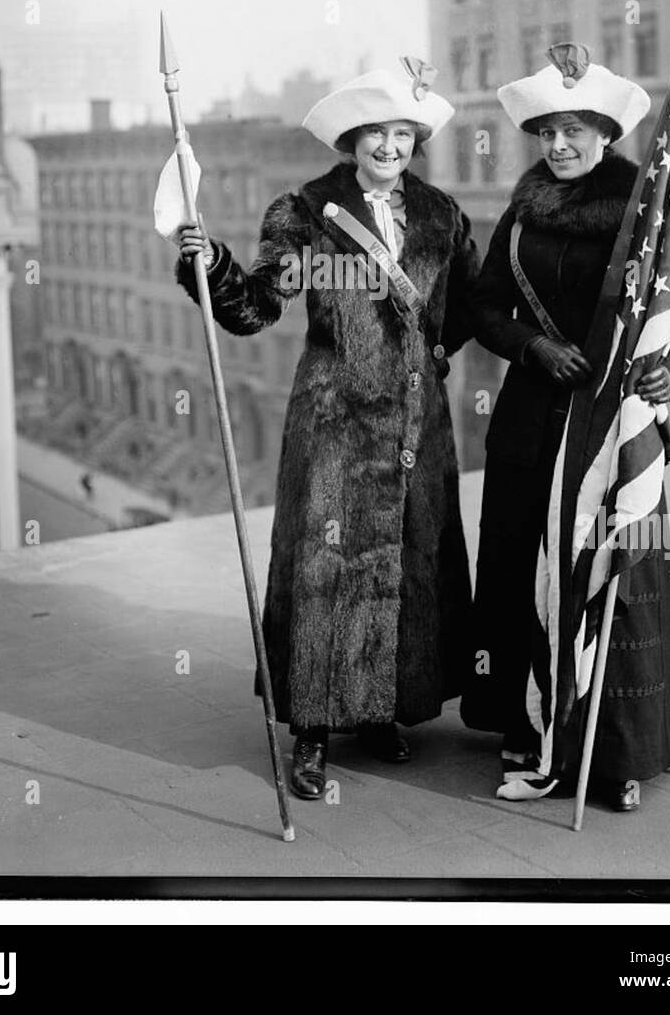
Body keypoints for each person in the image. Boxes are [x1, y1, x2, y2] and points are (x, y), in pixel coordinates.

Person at [173, 61, 479, 800]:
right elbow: (253, 308)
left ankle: (381, 711)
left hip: (414, 424)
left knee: (405, 564)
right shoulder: (305, 212)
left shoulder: (441, 214)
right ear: (351, 138)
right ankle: (309, 731)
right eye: (375, 132)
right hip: (334, 424)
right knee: (323, 570)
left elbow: (467, 305)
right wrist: (210, 265)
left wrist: (430, 354)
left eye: (402, 133)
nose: (388, 146)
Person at [460, 42, 670, 811]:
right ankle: (525, 719)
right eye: (546, 133)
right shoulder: (519, 212)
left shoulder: (652, 209)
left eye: (575, 130)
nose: (559, 146)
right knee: (520, 570)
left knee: (615, 576)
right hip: (531, 426)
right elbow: (481, 308)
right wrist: (532, 346)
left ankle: (617, 749)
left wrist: (669, 372)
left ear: (606, 134)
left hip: (614, 430)